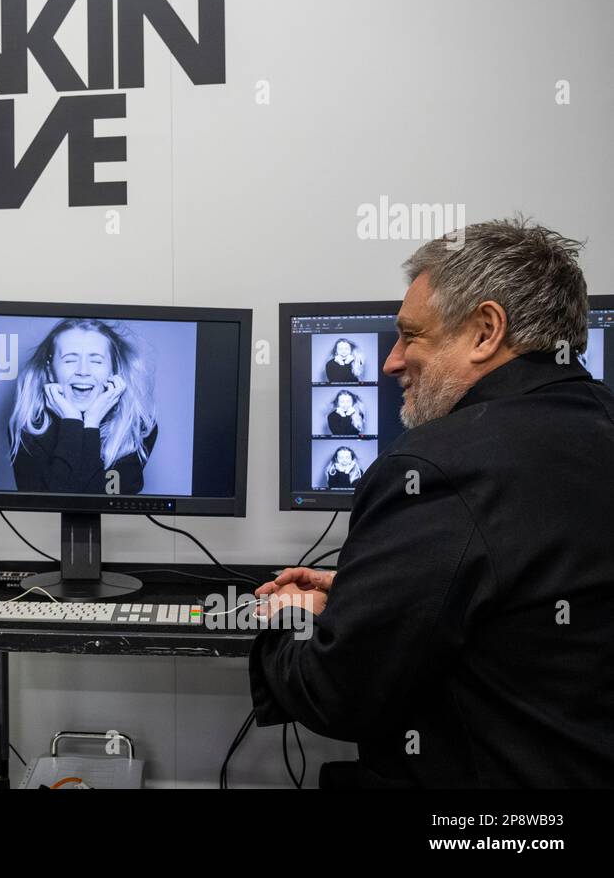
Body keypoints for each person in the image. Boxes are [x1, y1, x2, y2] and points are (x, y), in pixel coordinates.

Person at [251, 217, 614, 787]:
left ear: (485, 331)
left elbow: (337, 694)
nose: (392, 360)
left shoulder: (439, 467)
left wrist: (289, 617)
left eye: (410, 335)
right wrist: (364, 600)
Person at [9, 318, 158, 494]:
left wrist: (91, 423)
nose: (83, 371)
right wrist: (72, 422)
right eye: (70, 360)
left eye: (96, 361)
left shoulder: (138, 428)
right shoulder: (29, 427)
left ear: (113, 370)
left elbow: (100, 502)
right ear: (50, 372)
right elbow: (54, 502)